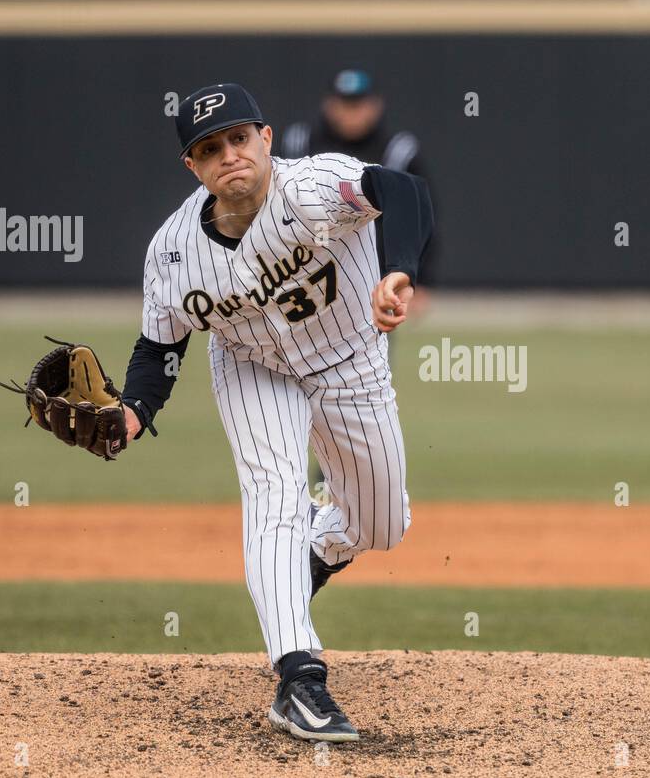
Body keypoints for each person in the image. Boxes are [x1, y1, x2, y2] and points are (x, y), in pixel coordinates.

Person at [119, 82, 433, 743]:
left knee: (383, 524)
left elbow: (402, 193)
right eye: (209, 148)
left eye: (238, 137)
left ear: (265, 139)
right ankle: (299, 679)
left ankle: (313, 553)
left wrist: (398, 270)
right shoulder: (173, 253)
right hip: (253, 368)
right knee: (273, 494)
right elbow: (158, 347)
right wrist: (132, 412)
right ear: (193, 167)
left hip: (349, 361)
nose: (228, 154)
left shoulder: (314, 187)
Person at [282, 69, 441, 286]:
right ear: (329, 106)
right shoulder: (301, 143)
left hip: (379, 273)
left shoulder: (397, 151)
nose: (351, 114)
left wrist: (419, 277)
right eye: (345, 105)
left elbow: (422, 216)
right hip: (309, 269)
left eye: (358, 105)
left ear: (376, 106)